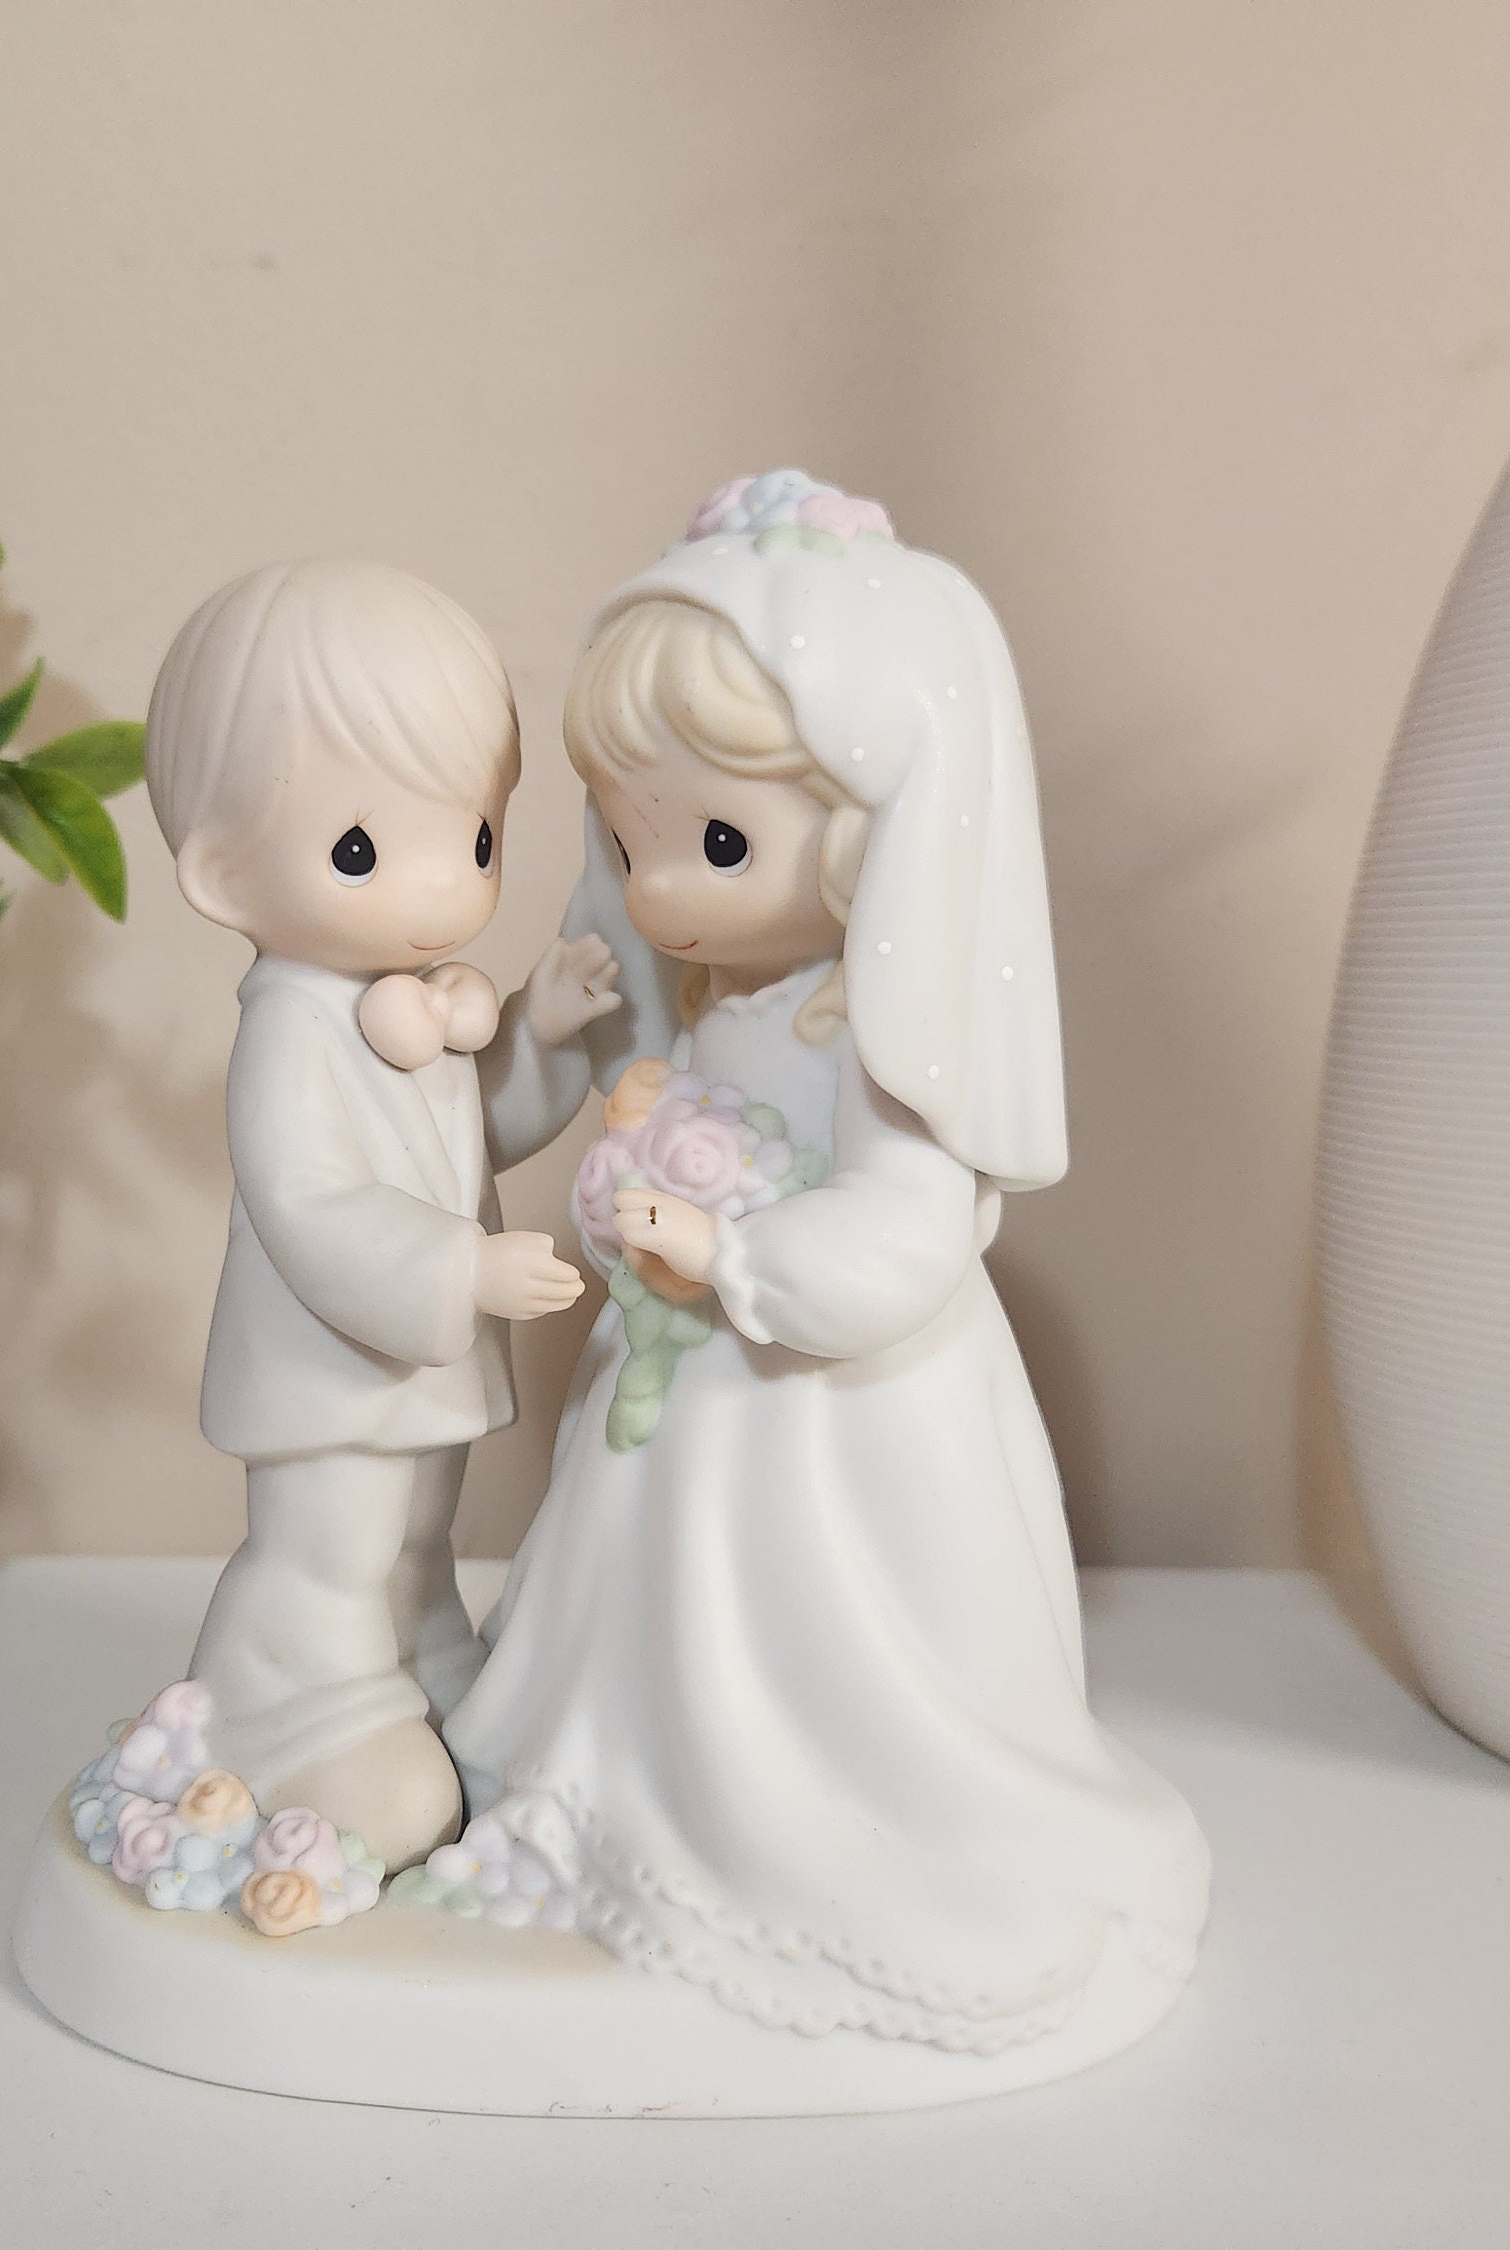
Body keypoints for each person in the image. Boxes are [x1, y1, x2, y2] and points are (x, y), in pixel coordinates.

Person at [434, 473, 1211, 2054]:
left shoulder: (875, 1028)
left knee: (812, 1665)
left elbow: (906, 1231)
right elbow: (551, 1109)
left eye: (716, 838)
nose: (660, 888)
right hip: (673, 1399)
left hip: (828, 1419)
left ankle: (807, 1816)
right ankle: (614, 1789)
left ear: (873, 831)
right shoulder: (701, 993)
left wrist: (728, 1246)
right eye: (632, 836)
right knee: (641, 1632)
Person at [142, 558, 613, 1867]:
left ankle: (419, 1656)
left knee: (417, 1532)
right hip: (329, 1363)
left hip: (414, 1354)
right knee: (330, 1544)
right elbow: (308, 1200)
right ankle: (287, 1715)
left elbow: (472, 1128)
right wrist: (458, 1270)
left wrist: (541, 1037)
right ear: (224, 875)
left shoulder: (416, 999)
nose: (443, 888)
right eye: (361, 850)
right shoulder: (290, 1030)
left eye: (475, 841)